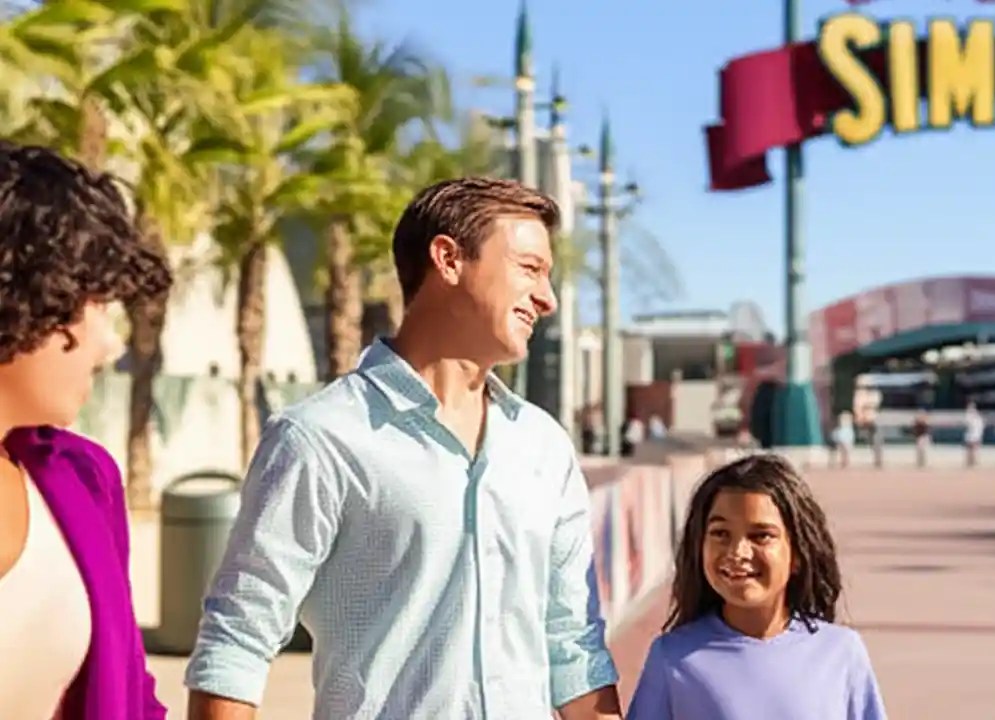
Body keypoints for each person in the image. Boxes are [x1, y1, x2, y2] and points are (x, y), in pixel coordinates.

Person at [184, 178, 621, 719]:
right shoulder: (320, 438)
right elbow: (237, 640)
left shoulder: (544, 446)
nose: (548, 299)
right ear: (448, 259)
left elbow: (573, 644)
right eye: (530, 269)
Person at [0, 142, 171, 718]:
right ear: (23, 293)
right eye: (94, 303)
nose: (108, 343)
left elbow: (129, 696)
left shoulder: (81, 478)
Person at [626, 454, 887, 719]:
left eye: (761, 536)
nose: (737, 552)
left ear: (797, 552)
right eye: (720, 534)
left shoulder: (841, 653)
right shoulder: (671, 657)